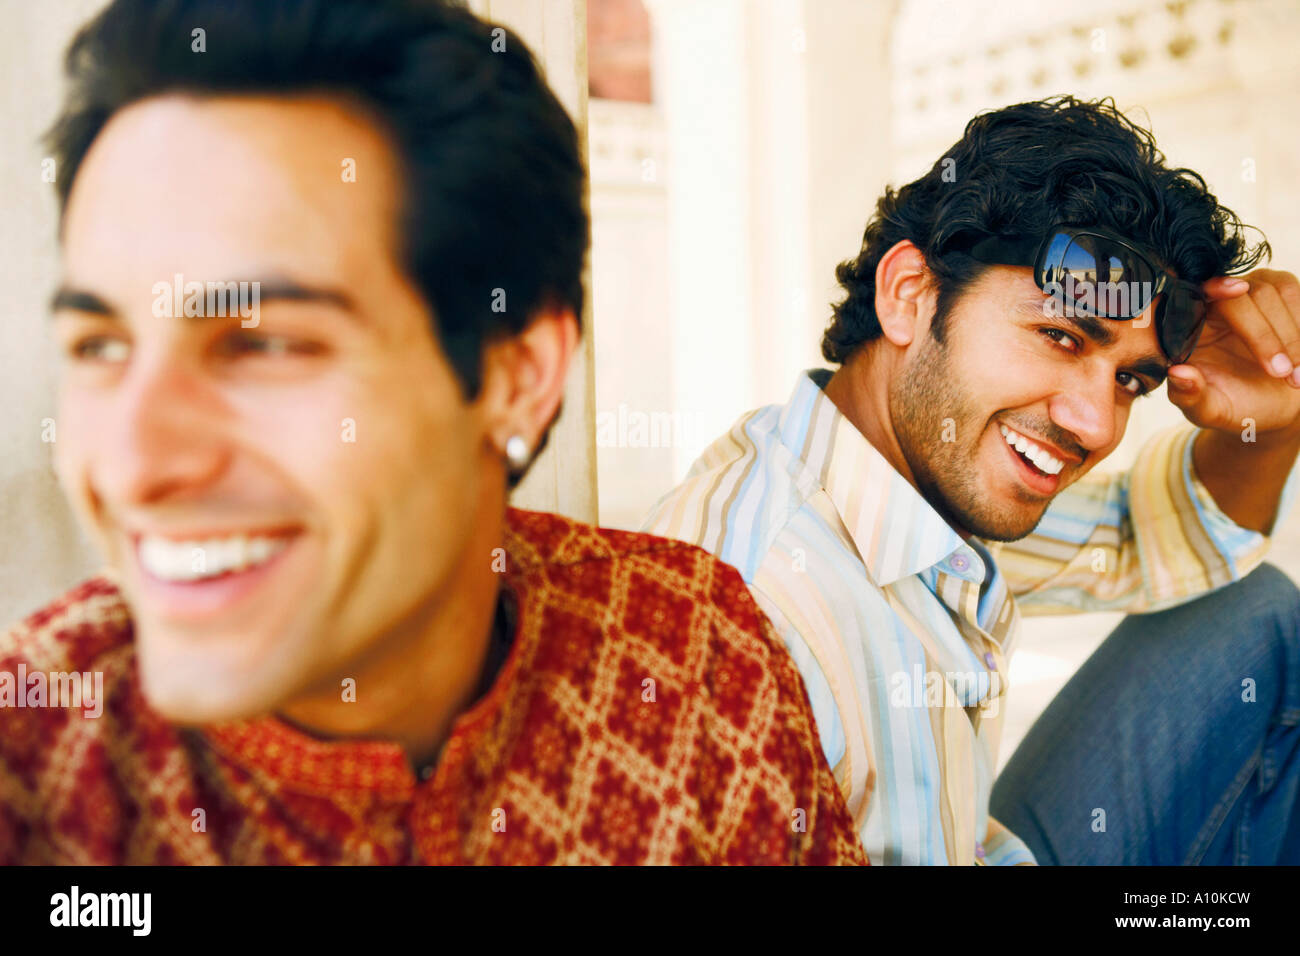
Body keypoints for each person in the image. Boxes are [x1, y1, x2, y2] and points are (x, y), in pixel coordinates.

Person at [0, 0, 866, 866]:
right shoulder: (37, 766)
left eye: (262, 345)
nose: (133, 462)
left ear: (516, 375)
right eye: (100, 346)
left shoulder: (692, 656)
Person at [644, 97, 1300, 865]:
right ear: (910, 294)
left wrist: (1276, 414)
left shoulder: (912, 475)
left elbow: (1148, 539)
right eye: (1058, 336)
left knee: (1258, 617)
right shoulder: (744, 606)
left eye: (1131, 380)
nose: (1094, 423)